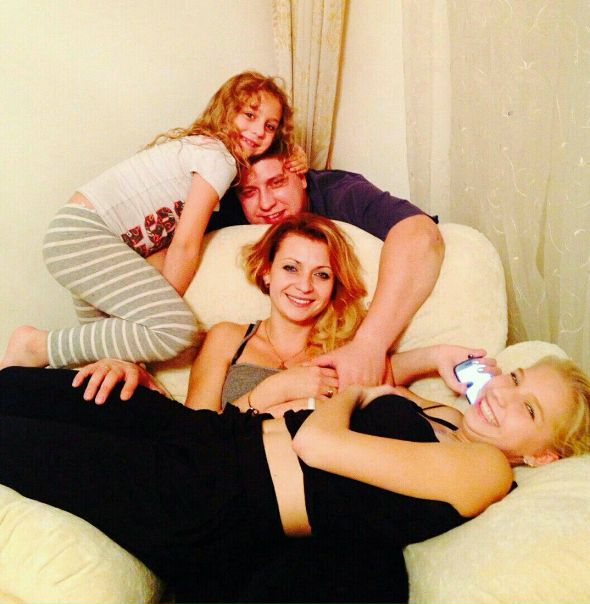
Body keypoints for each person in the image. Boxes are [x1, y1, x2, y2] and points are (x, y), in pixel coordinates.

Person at [0, 352, 588, 603]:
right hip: (209, 434)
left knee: (19, 443)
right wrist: (440, 363)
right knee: (25, 386)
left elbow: (318, 443)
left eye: (529, 409)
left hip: (212, 495)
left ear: (544, 457)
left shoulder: (486, 468)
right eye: (514, 378)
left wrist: (351, 394)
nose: (503, 396)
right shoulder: (448, 418)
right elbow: (383, 385)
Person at [0, 71, 305, 371]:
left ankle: (34, 370)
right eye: (249, 115)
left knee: (105, 363)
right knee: (175, 329)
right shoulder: (217, 158)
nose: (258, 131)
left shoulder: (204, 151)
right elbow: (185, 245)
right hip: (85, 235)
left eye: (270, 126)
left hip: (81, 238)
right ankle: (36, 346)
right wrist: (161, 311)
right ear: (225, 110)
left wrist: (295, 155)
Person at [205, 152, 446, 389]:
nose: (266, 203)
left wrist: (370, 344)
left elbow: (420, 234)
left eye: (277, 183)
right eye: (249, 191)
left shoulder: (339, 193)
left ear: (302, 175)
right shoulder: (227, 339)